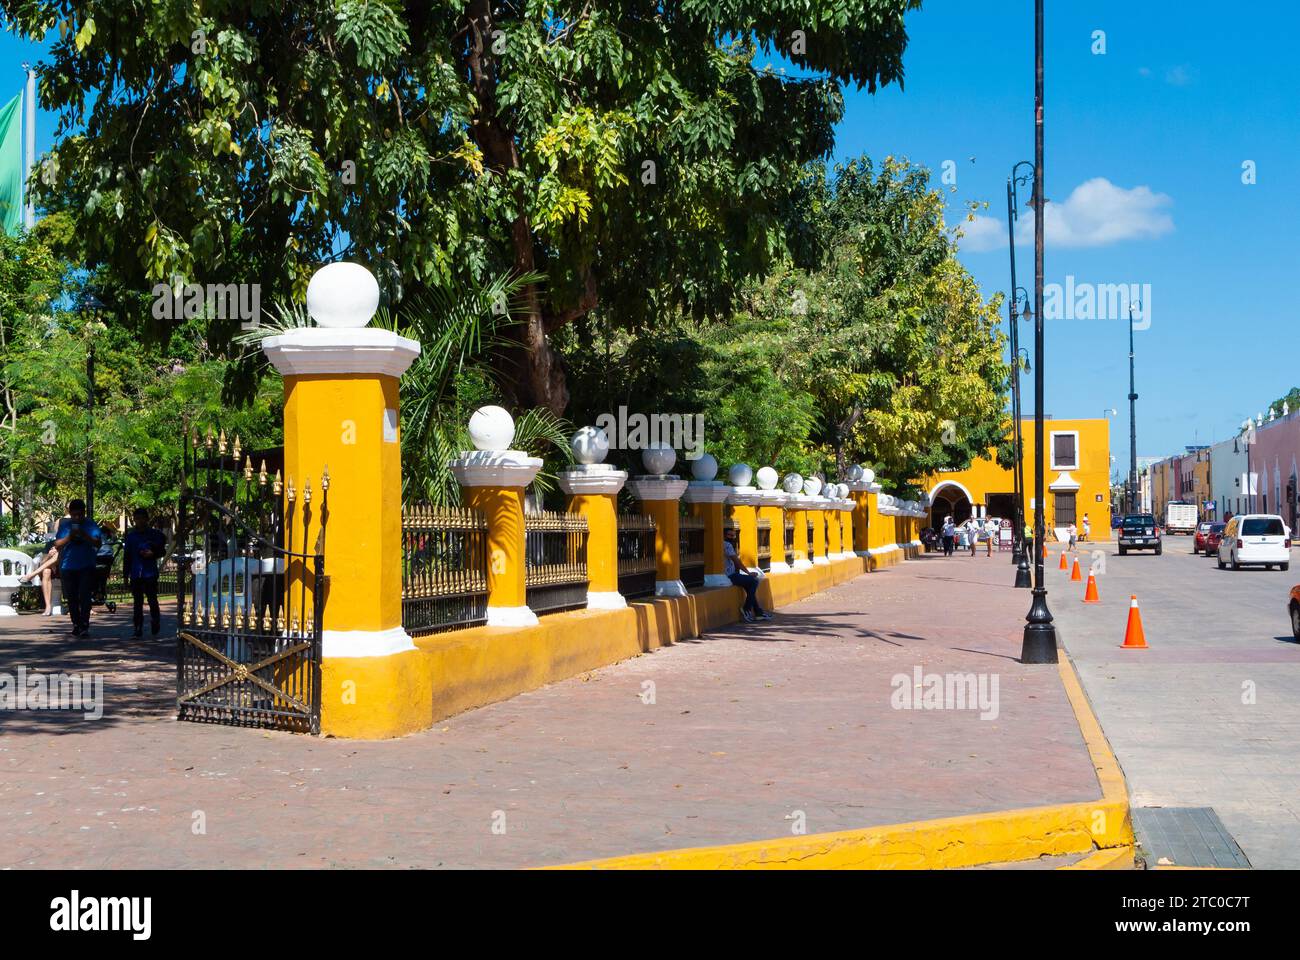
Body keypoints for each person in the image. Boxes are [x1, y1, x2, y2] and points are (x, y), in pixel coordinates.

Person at [52, 499, 102, 637]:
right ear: (70, 513)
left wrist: (85, 535)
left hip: (86, 565)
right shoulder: (65, 525)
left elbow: (98, 543)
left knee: (85, 596)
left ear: (84, 513)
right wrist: (70, 536)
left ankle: (84, 624)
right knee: (72, 598)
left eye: (80, 515)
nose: (77, 518)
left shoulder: (91, 525)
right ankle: (76, 624)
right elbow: (57, 544)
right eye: (74, 515)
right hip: (68, 566)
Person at [124, 508, 167, 638]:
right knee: (137, 602)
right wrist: (125, 575)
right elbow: (127, 557)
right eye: (137, 519)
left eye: (143, 518)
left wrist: (153, 553)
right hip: (136, 573)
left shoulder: (155, 534)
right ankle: (138, 627)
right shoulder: (131, 536)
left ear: (147, 519)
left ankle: (155, 620)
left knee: (152, 599)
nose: (140, 521)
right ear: (134, 520)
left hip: (150, 573)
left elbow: (162, 550)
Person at [723, 527, 770, 622]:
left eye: (733, 535)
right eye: (729, 535)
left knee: (750, 587)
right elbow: (737, 561)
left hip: (731, 573)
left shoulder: (726, 544)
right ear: (724, 535)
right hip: (730, 575)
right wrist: (748, 573)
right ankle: (746, 609)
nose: (732, 537)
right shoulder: (727, 544)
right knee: (753, 581)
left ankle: (758, 613)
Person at [19, 542, 60, 616]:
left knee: (57, 555)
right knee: (46, 571)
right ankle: (48, 606)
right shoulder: (50, 544)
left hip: (64, 569)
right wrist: (49, 555)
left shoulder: (67, 542)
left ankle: (31, 575)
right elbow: (42, 563)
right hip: (51, 570)